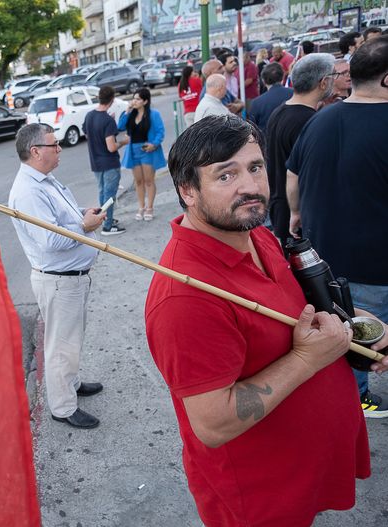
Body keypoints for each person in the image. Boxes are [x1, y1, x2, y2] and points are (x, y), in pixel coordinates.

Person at [146, 113, 388, 526]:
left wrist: (354, 324)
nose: (250, 187)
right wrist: (310, 359)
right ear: (188, 190)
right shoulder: (183, 298)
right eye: (225, 175)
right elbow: (213, 422)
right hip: (260, 492)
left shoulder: (251, 230)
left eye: (255, 167)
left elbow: (296, 306)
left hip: (304, 462)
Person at [287, 36, 388, 418]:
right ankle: (359, 400)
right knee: (370, 339)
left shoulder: (320, 120)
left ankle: (353, 398)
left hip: (325, 259)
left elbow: (291, 179)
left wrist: (297, 216)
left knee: (347, 334)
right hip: (376, 265)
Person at [8, 123, 106, 429]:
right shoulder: (28, 192)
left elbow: (61, 216)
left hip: (70, 279)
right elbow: (50, 240)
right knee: (61, 345)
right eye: (54, 145)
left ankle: (71, 384)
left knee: (70, 340)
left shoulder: (44, 180)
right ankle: (63, 407)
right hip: (60, 280)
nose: (60, 148)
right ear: (36, 152)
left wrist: (82, 212)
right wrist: (84, 227)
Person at [265, 53, 335, 254]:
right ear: (323, 82)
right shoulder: (309, 122)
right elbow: (307, 175)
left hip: (281, 210)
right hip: (301, 217)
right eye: (334, 75)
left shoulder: (280, 112)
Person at [82, 85, 127, 235]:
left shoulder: (89, 116)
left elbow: (88, 135)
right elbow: (111, 147)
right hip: (109, 163)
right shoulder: (108, 121)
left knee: (102, 192)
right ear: (112, 100)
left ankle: (105, 218)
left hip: (95, 162)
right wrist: (124, 142)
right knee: (110, 196)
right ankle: (108, 226)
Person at [117, 88, 166, 222]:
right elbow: (120, 127)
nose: (135, 101)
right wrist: (127, 111)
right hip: (133, 151)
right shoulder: (130, 114)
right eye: (134, 98)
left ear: (145, 101)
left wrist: (154, 144)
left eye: (138, 99)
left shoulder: (153, 114)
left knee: (149, 181)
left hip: (147, 150)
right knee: (138, 181)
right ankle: (141, 206)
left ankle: (149, 207)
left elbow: (160, 132)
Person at [247, 62, 292, 137]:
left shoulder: (257, 103)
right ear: (282, 77)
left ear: (263, 81)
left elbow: (252, 129)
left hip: (268, 143)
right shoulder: (295, 94)